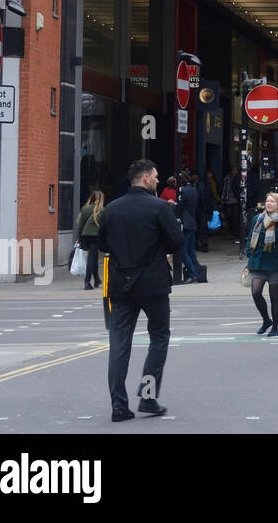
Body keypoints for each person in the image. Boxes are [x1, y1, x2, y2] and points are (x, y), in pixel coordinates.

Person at [98, 159, 182, 421]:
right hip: (153, 284)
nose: (159, 180)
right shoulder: (159, 207)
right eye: (156, 176)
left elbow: (102, 244)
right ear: (146, 178)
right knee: (159, 338)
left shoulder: (111, 209)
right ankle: (147, 396)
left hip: (120, 285)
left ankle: (119, 406)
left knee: (119, 345)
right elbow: (176, 242)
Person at [245, 193, 278, 336]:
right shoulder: (257, 219)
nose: (269, 203)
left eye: (272, 201)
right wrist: (248, 252)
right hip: (258, 262)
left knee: (273, 295)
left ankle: (275, 327)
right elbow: (251, 236)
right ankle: (266, 320)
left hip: (275, 263)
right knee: (256, 292)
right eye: (267, 201)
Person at [77, 190, 105, 290]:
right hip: (96, 236)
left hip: (85, 235)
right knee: (92, 257)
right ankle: (87, 282)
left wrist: (79, 238)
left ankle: (97, 279)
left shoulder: (85, 209)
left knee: (93, 256)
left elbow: (80, 225)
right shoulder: (102, 210)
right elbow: (104, 226)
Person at [174, 173, 199, 284]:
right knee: (191, 249)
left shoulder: (182, 191)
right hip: (193, 221)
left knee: (183, 251)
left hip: (186, 222)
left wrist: (173, 207)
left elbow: (180, 207)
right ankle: (196, 271)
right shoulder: (194, 190)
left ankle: (192, 274)